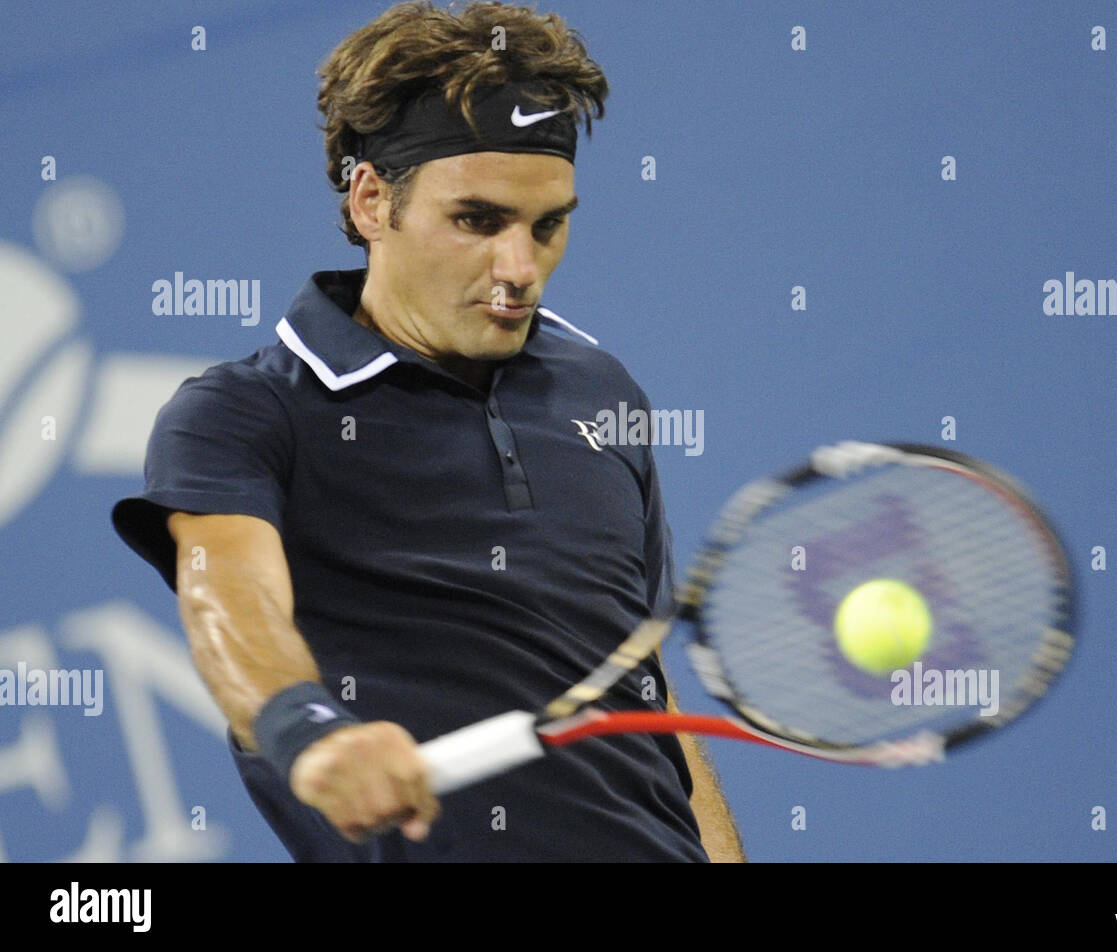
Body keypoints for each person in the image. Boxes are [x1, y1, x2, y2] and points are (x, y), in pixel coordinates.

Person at [112, 0, 744, 862]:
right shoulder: (243, 413)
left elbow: (645, 688)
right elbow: (227, 597)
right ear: (373, 200)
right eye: (478, 221)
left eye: (548, 225)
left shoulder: (602, 390)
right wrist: (313, 732)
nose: (520, 270)